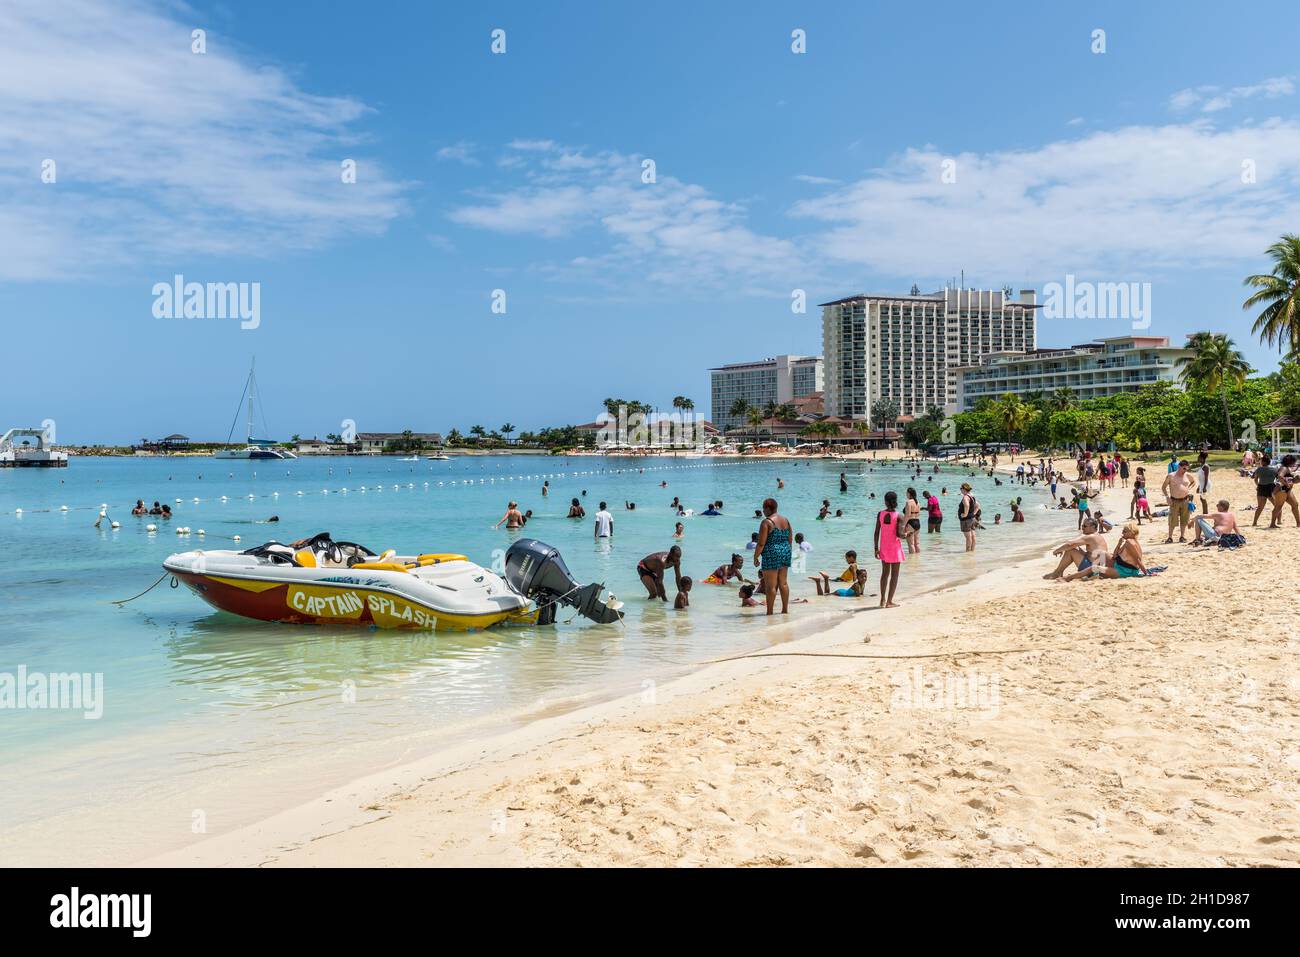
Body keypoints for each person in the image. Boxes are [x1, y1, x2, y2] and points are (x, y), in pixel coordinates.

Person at [1064, 522, 1150, 580]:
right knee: (1103, 553)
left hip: (1125, 571)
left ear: (1132, 532)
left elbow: (1138, 559)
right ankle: (1097, 573)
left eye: (1125, 531)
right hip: (1120, 565)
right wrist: (1119, 544)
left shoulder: (1130, 542)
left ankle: (1067, 578)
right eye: (1122, 531)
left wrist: (1146, 573)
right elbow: (1115, 555)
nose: (1122, 533)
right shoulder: (1130, 541)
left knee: (1094, 568)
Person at [753, 498, 793, 615]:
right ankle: (785, 610)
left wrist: (756, 556)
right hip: (785, 551)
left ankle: (769, 612)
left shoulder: (767, 522)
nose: (763, 511)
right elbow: (790, 539)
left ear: (768, 508)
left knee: (770, 586)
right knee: (783, 583)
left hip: (771, 553)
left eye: (763, 508)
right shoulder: (786, 520)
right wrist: (786, 551)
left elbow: (761, 543)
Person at [1043, 519, 1109, 579]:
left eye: (1085, 526)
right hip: (1099, 569)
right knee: (1074, 548)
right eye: (1082, 525)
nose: (1082, 528)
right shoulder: (1098, 536)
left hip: (1092, 570)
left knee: (1070, 550)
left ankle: (1057, 573)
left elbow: (1070, 544)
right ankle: (1058, 572)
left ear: (1093, 527)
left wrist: (1057, 550)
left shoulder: (1091, 537)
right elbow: (1092, 554)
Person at [874, 490, 905, 607]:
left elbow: (876, 532)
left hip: (884, 548)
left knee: (884, 574)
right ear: (895, 501)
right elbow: (899, 534)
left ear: (885, 502)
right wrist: (907, 534)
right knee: (895, 575)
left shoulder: (880, 514)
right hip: (895, 549)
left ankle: (882, 600)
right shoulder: (899, 516)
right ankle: (889, 601)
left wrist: (875, 548)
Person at [1161, 461, 1197, 543]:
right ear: (1179, 466)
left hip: (1185, 500)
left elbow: (1194, 481)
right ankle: (1170, 537)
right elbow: (1163, 487)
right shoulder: (1171, 476)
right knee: (1172, 520)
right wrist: (1167, 497)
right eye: (1184, 468)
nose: (1185, 470)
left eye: (1187, 468)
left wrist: (1189, 488)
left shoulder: (1187, 475)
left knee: (1184, 519)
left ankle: (1182, 536)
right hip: (1174, 500)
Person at [1270, 453, 1300, 528]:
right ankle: (1272, 524)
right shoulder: (1284, 468)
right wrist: (1286, 484)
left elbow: (1286, 478)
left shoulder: (1286, 468)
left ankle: (1298, 523)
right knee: (1278, 507)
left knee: (1295, 505)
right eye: (1293, 461)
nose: (1294, 463)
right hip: (1281, 490)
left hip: (1287, 490)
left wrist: (1294, 480)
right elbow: (1280, 476)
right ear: (1290, 462)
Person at [1252, 454, 1277, 527]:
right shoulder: (1274, 469)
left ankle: (1254, 522)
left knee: (1260, 507)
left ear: (1263, 462)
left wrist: (1258, 486)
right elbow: (1278, 479)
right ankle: (1278, 521)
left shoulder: (1259, 469)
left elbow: (1255, 479)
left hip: (1261, 487)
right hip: (1271, 487)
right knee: (1277, 506)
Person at [957, 482, 980, 551]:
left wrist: (965, 514)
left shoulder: (965, 497)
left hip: (966, 520)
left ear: (964, 489)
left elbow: (967, 505)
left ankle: (967, 552)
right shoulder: (971, 496)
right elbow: (978, 506)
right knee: (973, 536)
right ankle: (972, 552)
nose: (960, 490)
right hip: (972, 519)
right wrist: (973, 513)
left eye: (961, 488)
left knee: (968, 538)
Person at [903, 487, 922, 553]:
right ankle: (917, 558)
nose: (906, 494)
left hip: (911, 523)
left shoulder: (908, 502)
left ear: (909, 494)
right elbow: (918, 514)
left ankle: (912, 561)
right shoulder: (918, 503)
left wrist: (903, 525)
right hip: (917, 523)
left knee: (911, 544)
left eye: (906, 493)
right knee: (917, 543)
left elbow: (907, 515)